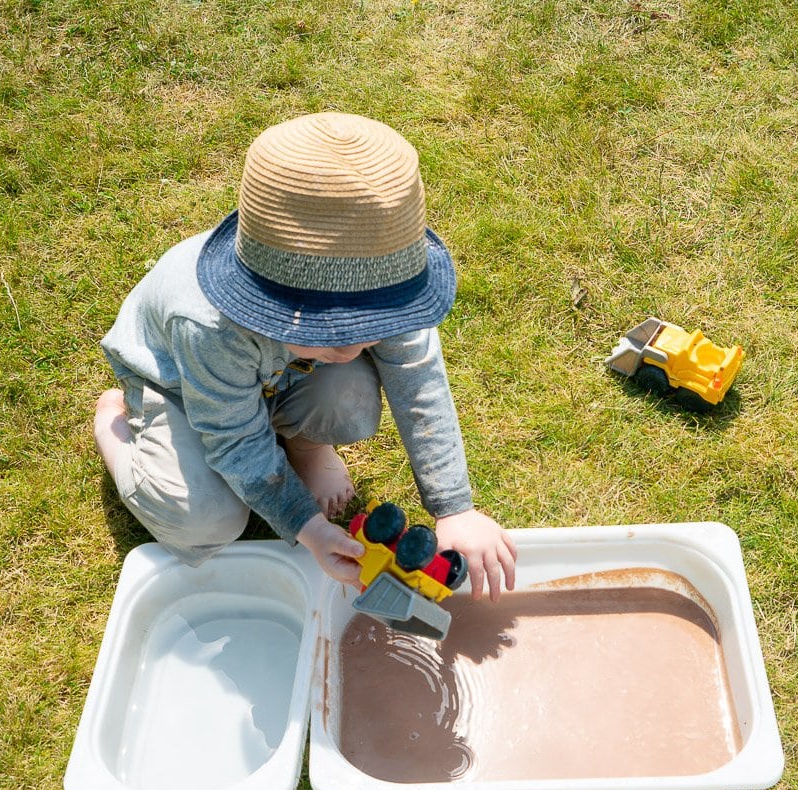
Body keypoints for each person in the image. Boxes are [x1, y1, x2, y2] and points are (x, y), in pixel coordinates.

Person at [93, 112, 517, 599]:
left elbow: (418, 379)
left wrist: (454, 507)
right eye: (330, 331)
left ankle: (304, 446)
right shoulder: (209, 325)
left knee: (349, 396)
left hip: (278, 371)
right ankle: (115, 425)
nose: (354, 349)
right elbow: (232, 439)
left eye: (371, 329)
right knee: (205, 522)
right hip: (179, 386)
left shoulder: (378, 267)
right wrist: (307, 527)